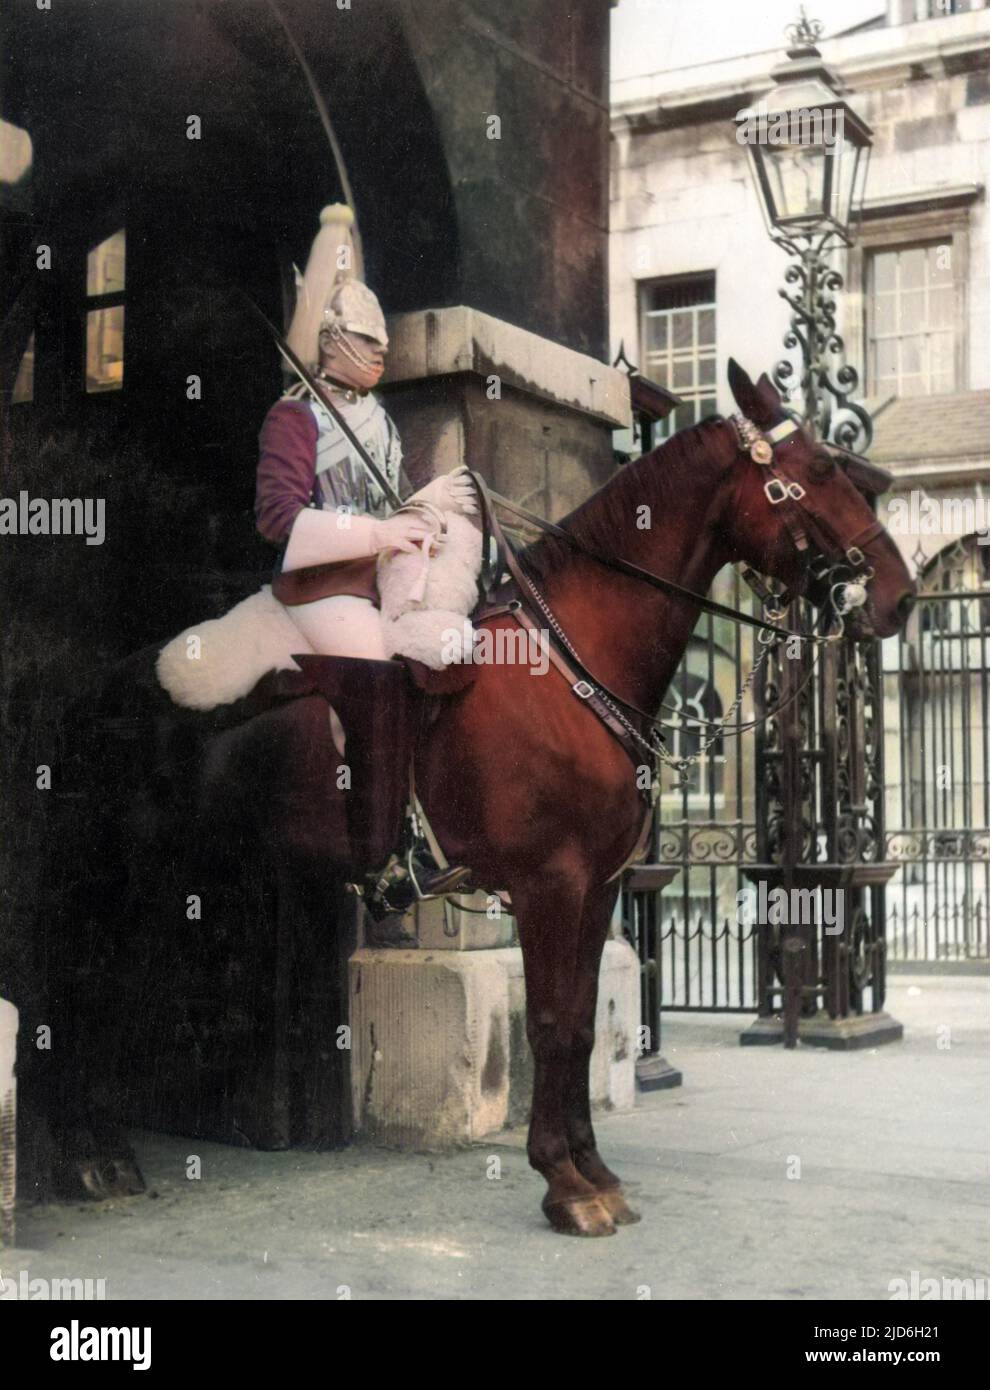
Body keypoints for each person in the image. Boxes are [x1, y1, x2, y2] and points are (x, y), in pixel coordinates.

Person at [255, 204, 473, 919]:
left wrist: (417, 522)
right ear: (329, 340)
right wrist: (378, 535)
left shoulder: (377, 419)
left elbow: (392, 506)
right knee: (380, 671)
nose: (377, 354)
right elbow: (279, 521)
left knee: (441, 654)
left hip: (375, 581)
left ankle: (431, 822)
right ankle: (379, 860)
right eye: (360, 340)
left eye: (381, 343)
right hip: (316, 590)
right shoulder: (296, 415)